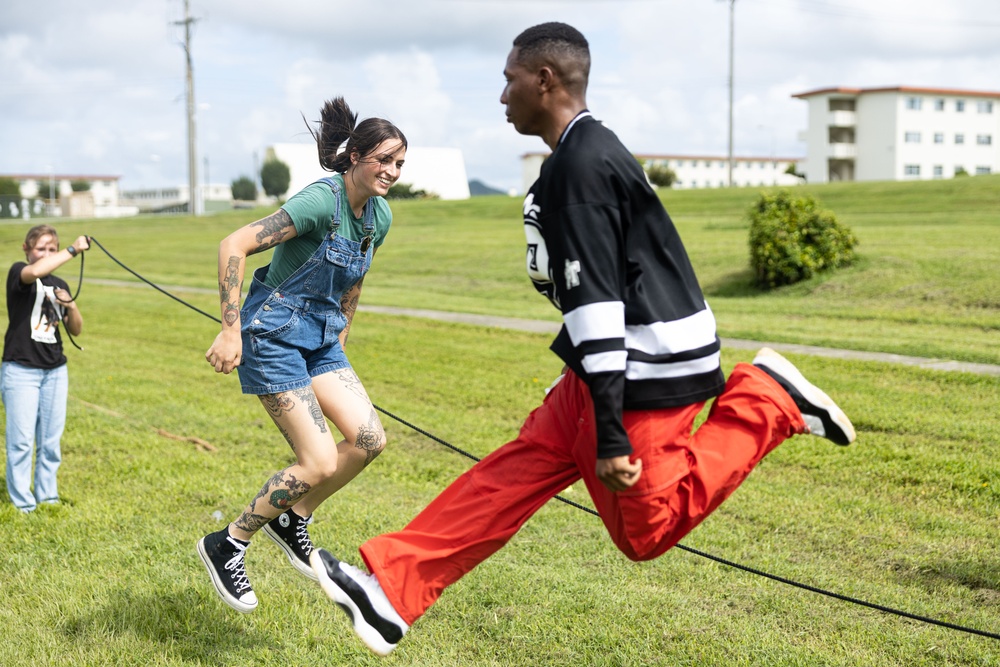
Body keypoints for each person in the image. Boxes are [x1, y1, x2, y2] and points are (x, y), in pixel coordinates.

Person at [309, 23, 856, 657]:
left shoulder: (582, 166)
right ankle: (390, 593)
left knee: (645, 534)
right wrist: (577, 376)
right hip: (603, 365)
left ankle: (768, 400)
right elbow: (600, 287)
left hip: (646, 374)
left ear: (545, 80)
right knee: (509, 476)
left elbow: (598, 299)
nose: (502, 95)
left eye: (509, 78)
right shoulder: (575, 158)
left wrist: (612, 428)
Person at [196, 97, 407, 614]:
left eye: (399, 163)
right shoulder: (320, 201)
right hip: (270, 338)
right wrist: (230, 330)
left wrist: (342, 337)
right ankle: (229, 542)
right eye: (383, 159)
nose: (392, 172)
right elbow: (233, 244)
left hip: (321, 340)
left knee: (368, 439)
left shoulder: (379, 216)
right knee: (318, 460)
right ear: (355, 156)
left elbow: (353, 280)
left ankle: (294, 518)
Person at [3, 225, 89, 512]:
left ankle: (47, 496)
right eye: (41, 248)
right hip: (21, 370)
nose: (46, 254)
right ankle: (23, 504)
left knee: (50, 441)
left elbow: (75, 330)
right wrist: (73, 249)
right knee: (22, 442)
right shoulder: (19, 273)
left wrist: (72, 306)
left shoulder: (60, 283)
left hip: (55, 370)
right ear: (26, 249)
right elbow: (34, 272)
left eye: (52, 249)